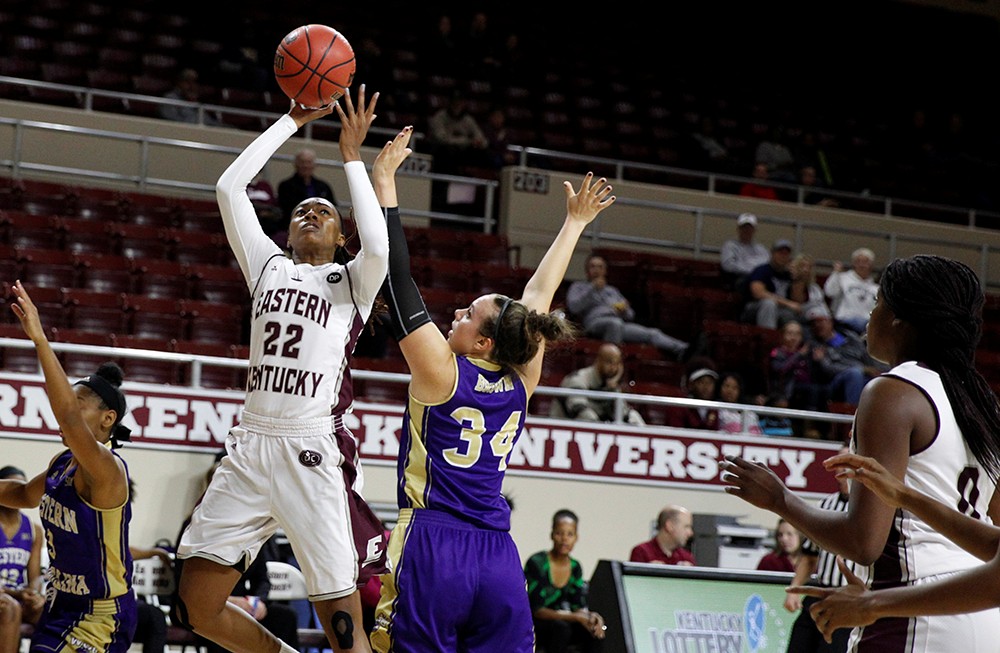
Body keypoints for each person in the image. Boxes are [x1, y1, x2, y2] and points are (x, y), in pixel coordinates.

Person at [367, 124, 615, 653]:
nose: (454, 314)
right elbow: (540, 295)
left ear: (481, 343)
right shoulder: (523, 379)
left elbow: (397, 276)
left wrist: (385, 184)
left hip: (434, 544)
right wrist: (574, 224)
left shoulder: (441, 371)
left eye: (466, 314)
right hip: (498, 556)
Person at [174, 87, 390, 653]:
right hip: (250, 446)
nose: (311, 214)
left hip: (312, 450)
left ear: (342, 237)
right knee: (195, 605)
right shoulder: (267, 266)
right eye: (300, 212)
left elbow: (380, 247)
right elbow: (228, 187)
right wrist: (291, 120)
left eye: (323, 211)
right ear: (286, 233)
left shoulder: (353, 283)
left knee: (344, 629)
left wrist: (350, 157)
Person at [721, 254, 1000, 652]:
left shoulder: (892, 391)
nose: (870, 317)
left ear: (901, 318)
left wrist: (780, 499)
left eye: (877, 303)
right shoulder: (984, 405)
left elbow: (864, 541)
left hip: (911, 611)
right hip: (983, 610)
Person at [2, 282, 136, 652]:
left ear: (107, 419)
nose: (68, 414)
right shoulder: (63, 463)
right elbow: (22, 495)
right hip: (60, 604)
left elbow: (68, 419)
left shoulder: (108, 469)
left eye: (80, 405)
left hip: (101, 614)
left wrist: (40, 340)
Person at [784, 447, 852, 653]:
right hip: (820, 592)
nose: (839, 466)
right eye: (837, 460)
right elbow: (810, 556)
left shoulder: (871, 508)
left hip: (847, 599)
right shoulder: (825, 504)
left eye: (845, 460)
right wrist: (794, 590)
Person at [566, 254, 691, 360]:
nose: (596, 270)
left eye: (600, 267)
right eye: (593, 266)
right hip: (594, 323)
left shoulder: (612, 291)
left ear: (605, 271)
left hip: (619, 323)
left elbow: (631, 315)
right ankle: (611, 362)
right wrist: (592, 288)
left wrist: (624, 310)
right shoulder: (579, 287)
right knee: (614, 324)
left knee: (652, 333)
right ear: (587, 270)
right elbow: (573, 307)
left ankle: (684, 349)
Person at [524, 510, 606, 653]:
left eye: (570, 534)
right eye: (559, 533)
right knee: (561, 628)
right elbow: (537, 610)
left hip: (565, 620)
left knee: (594, 629)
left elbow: (578, 604)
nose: (564, 539)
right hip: (539, 622)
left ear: (576, 537)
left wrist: (591, 617)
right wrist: (575, 617)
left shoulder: (575, 567)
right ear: (552, 535)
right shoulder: (537, 562)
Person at [805, 304, 887, 407]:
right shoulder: (815, 345)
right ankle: (851, 416)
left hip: (862, 376)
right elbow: (829, 370)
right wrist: (862, 369)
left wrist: (877, 370)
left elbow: (865, 355)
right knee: (854, 374)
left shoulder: (849, 337)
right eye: (813, 323)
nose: (817, 325)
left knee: (886, 376)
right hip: (837, 382)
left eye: (821, 321)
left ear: (830, 321)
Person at [0, 465, 43, 653]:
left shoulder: (34, 530)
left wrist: (34, 593)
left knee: (48, 610)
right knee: (11, 607)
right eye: (14, 488)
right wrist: (17, 594)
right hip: (8, 597)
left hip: (18, 595)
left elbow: (35, 576)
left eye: (22, 488)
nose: (18, 493)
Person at [548, 342, 645, 426]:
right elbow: (578, 410)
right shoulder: (578, 379)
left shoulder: (610, 382)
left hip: (594, 429)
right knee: (588, 415)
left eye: (617, 363)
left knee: (634, 416)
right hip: (564, 425)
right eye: (609, 362)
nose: (613, 368)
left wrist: (613, 389)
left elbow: (623, 415)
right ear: (598, 361)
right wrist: (602, 428)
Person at [768, 320, 824, 412]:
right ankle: (810, 421)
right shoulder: (777, 353)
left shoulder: (807, 353)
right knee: (812, 391)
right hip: (787, 390)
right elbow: (781, 369)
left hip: (807, 387)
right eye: (790, 333)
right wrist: (798, 355)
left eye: (797, 334)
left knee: (825, 391)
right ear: (782, 335)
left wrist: (819, 360)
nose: (793, 337)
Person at [740, 239, 796, 329]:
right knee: (769, 303)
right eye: (780, 253)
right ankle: (768, 337)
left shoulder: (789, 275)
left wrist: (798, 278)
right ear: (772, 254)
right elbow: (758, 293)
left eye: (786, 254)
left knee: (793, 313)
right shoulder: (762, 270)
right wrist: (787, 303)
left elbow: (797, 300)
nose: (783, 256)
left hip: (780, 309)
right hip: (755, 308)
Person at [823, 247, 878, 334]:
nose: (862, 265)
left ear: (871, 265)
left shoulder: (875, 288)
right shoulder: (842, 278)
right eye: (858, 261)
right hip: (844, 323)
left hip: (867, 327)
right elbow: (829, 292)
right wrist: (836, 273)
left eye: (865, 262)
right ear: (854, 264)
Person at [277, 147, 337, 224]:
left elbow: (332, 209)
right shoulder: (285, 186)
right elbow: (289, 211)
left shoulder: (323, 187)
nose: (305, 166)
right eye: (302, 162)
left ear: (314, 165)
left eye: (309, 162)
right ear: (295, 164)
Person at [628, 505, 696, 566]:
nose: (690, 533)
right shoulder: (641, 552)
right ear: (670, 526)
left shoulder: (686, 557)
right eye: (686, 527)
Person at [719, 212, 771, 291]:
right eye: (744, 227)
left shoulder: (761, 249)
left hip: (759, 280)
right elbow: (728, 266)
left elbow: (767, 265)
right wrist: (752, 270)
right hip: (739, 280)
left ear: (754, 230)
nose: (746, 230)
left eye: (749, 228)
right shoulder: (730, 246)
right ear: (738, 229)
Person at [664, 360, 719, 431]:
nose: (706, 387)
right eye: (702, 382)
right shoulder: (678, 406)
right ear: (691, 385)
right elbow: (675, 433)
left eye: (710, 383)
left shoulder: (714, 408)